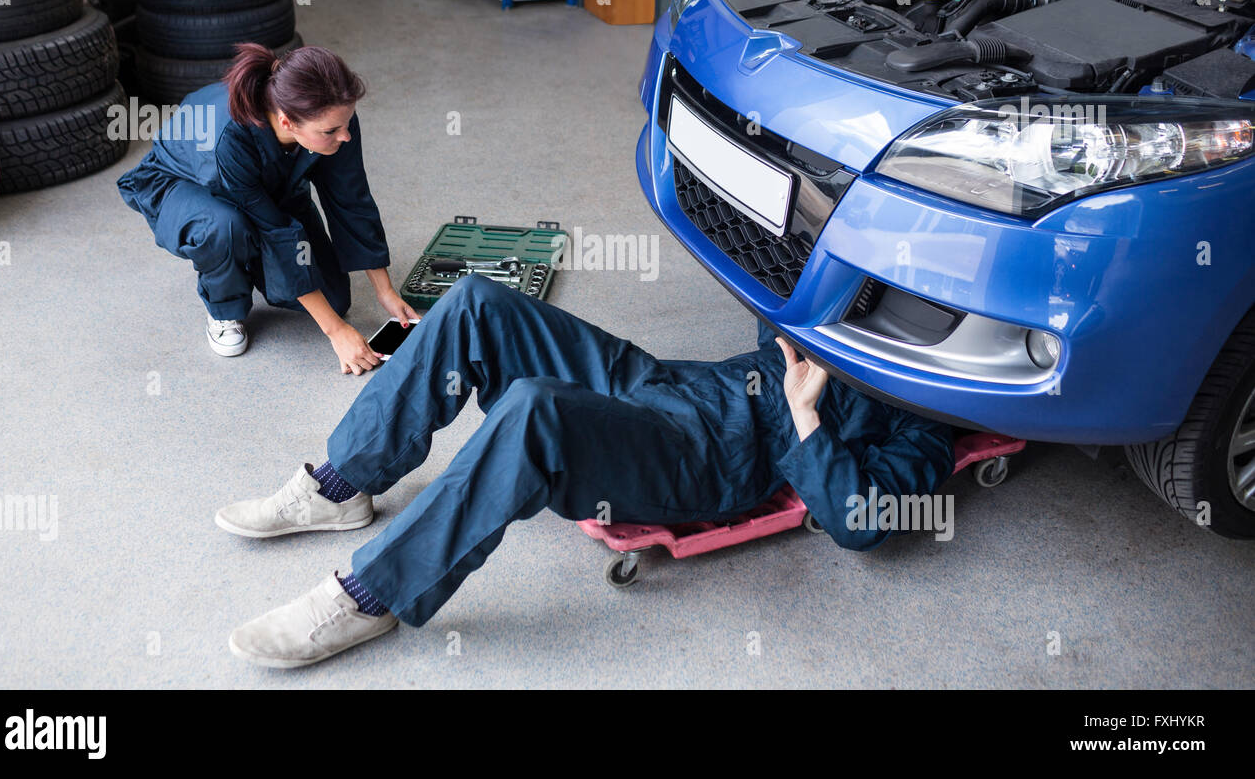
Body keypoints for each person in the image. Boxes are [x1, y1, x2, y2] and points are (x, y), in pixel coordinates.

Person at [217, 274, 957, 668]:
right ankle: (341, 483)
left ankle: (370, 594)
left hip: (698, 461)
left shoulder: (923, 421)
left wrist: (805, 417)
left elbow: (858, 524)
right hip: (664, 384)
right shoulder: (845, 311)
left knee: (538, 412)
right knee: (478, 304)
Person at [117, 43, 417, 370]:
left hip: (268, 185)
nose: (344, 135)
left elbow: (351, 198)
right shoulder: (228, 138)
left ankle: (249, 258)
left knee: (334, 300)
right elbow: (275, 230)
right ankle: (224, 308)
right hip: (180, 184)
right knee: (226, 226)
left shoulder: (333, 115)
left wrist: (384, 290)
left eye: (346, 124)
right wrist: (335, 332)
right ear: (287, 122)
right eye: (331, 131)